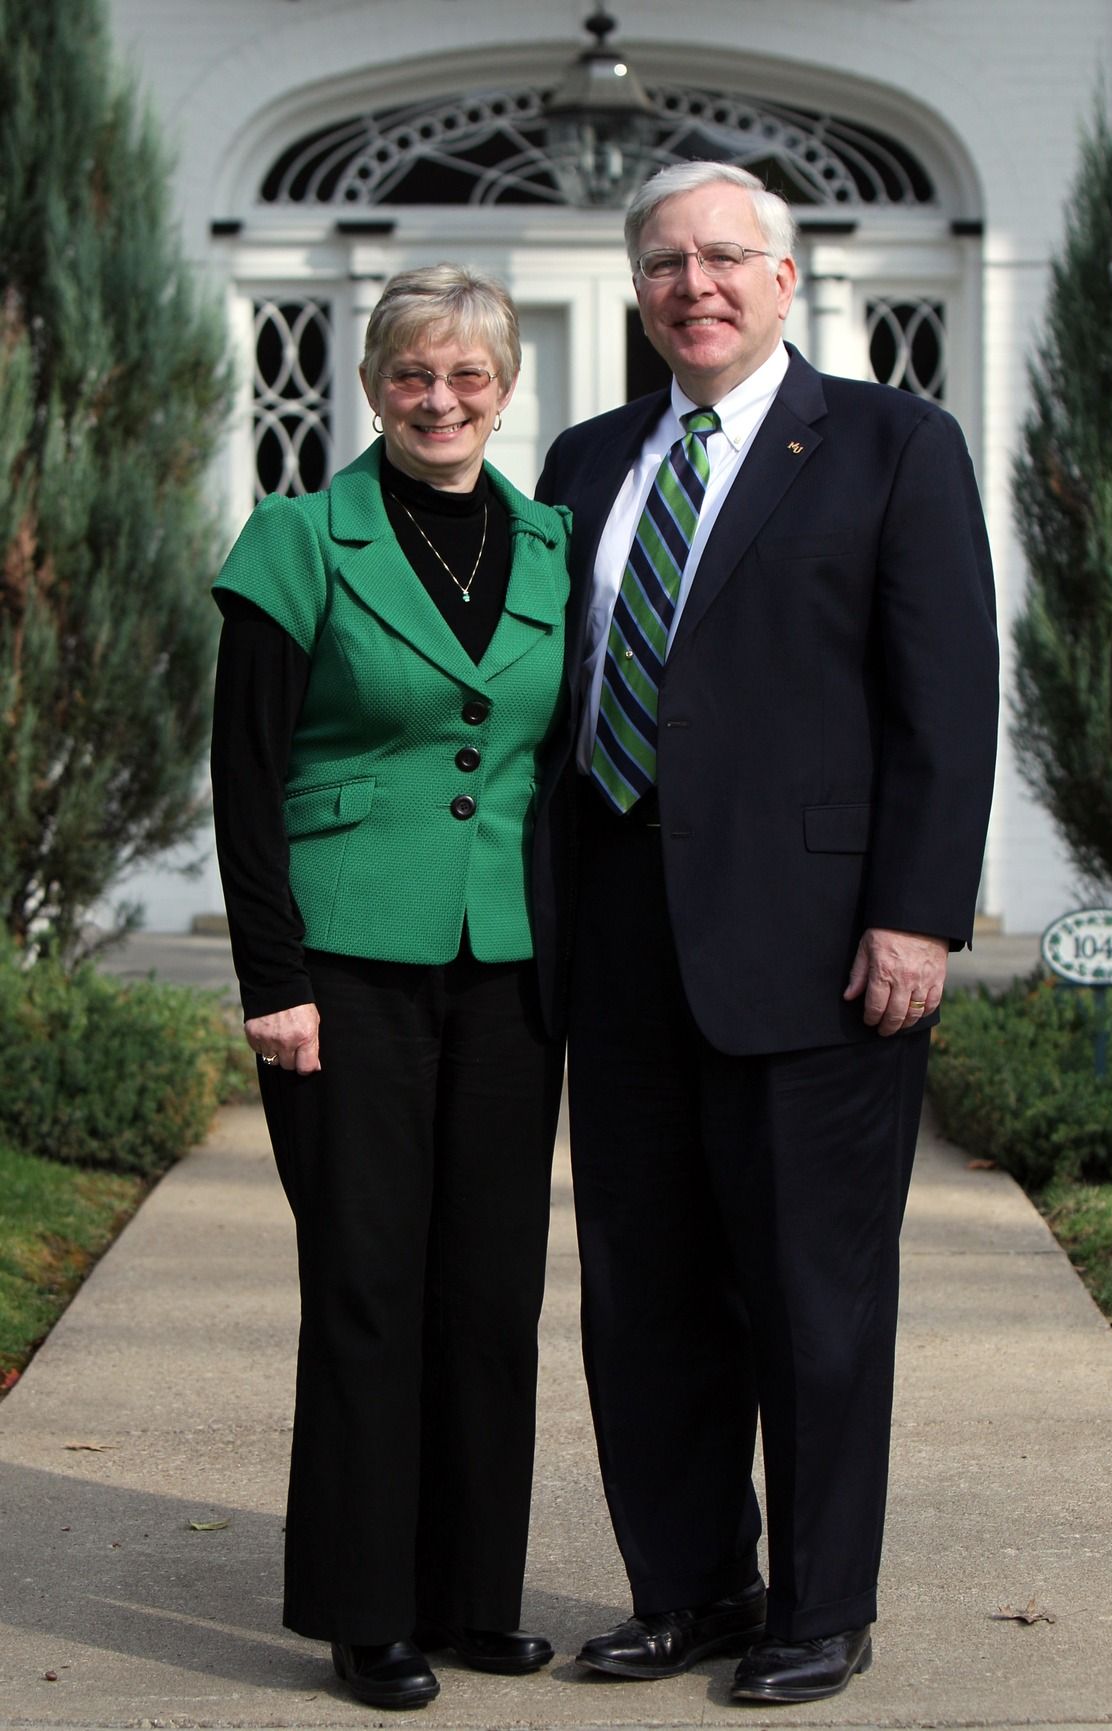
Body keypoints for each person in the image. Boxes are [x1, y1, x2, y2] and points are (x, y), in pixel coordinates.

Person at [532, 162, 999, 1706]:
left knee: (810, 1301)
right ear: (636, 287)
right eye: (663, 262)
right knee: (647, 1295)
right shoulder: (585, 460)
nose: (695, 285)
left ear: (785, 279)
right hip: (618, 942)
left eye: (725, 257)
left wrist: (915, 915)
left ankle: (818, 1607)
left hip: (817, 953)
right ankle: (690, 1589)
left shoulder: (888, 444)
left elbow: (945, 705)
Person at [210, 264, 571, 1710]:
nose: (440, 400)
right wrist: (271, 978)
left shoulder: (550, 544)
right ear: (370, 386)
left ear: (503, 388)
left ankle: (473, 1593)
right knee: (366, 1281)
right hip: (344, 962)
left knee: (489, 1288)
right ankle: (366, 1610)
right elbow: (244, 777)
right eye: (412, 375)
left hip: (508, 967)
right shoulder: (298, 539)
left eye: (467, 377)